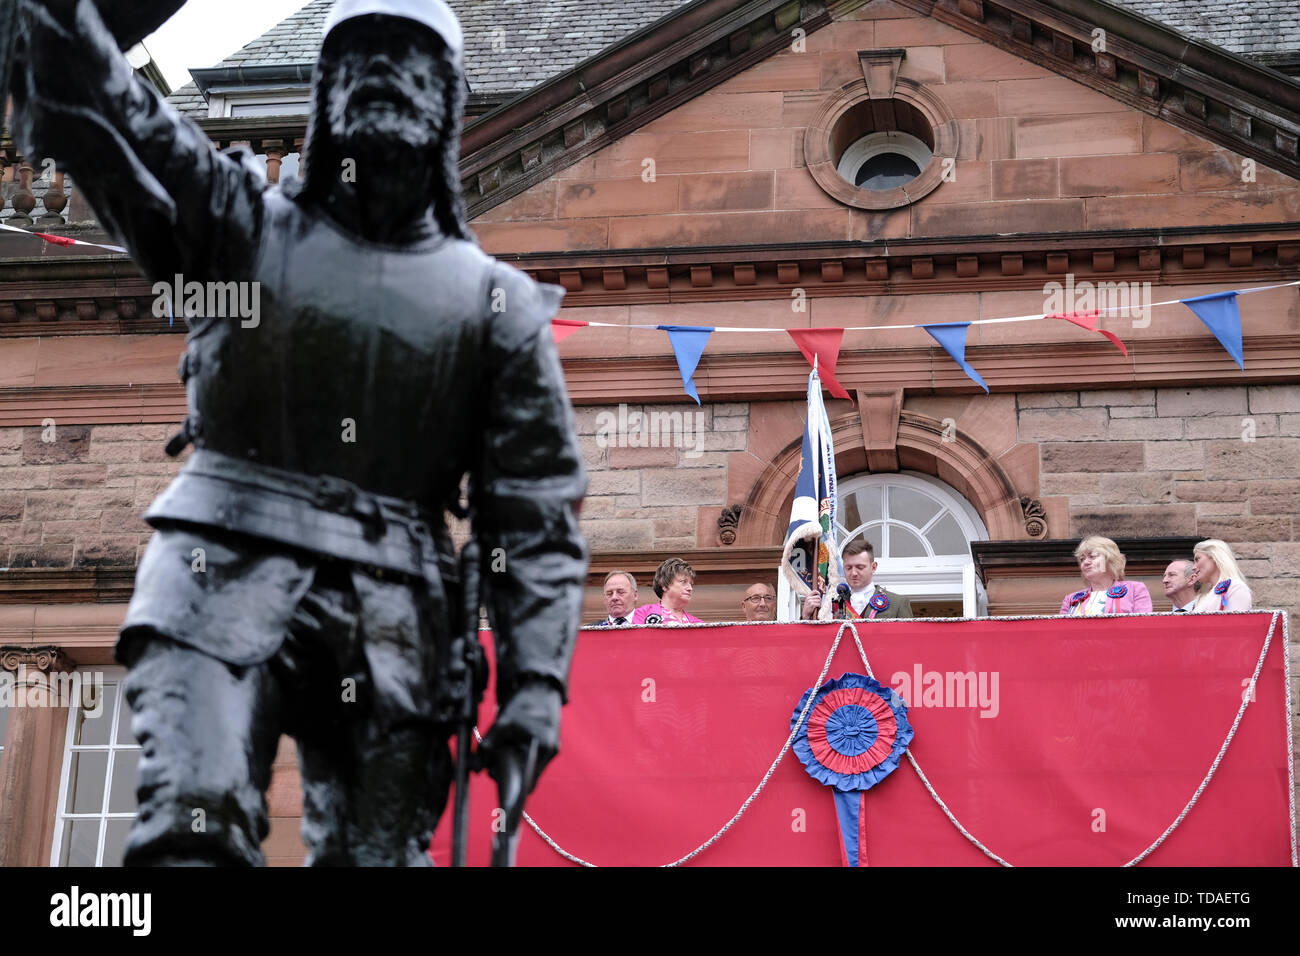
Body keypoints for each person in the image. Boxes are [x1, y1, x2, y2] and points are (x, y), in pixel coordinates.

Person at [12, 0, 589, 865]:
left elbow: (534, 518)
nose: (387, 73)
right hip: (218, 565)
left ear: (450, 104)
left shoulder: (494, 306)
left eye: (413, 60)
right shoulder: (237, 220)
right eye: (361, 56)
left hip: (397, 612)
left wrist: (536, 688)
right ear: (324, 93)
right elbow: (118, 117)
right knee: (192, 827)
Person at [801, 539, 912, 621]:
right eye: (848, 568)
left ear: (873, 567)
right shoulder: (833, 604)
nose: (853, 573)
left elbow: (909, 646)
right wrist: (805, 617)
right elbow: (817, 644)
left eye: (860, 567)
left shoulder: (898, 603)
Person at [1060, 536, 1152, 615]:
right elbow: (1061, 631)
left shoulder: (1135, 589)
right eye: (1082, 559)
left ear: (1110, 559)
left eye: (1092, 556)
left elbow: (1144, 626)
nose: (1085, 562)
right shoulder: (1070, 599)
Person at [632, 558, 704, 625]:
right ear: (665, 586)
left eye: (691, 584)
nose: (690, 588)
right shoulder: (643, 614)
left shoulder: (697, 623)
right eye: (683, 582)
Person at [1190, 539, 1253, 612]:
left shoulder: (1236, 588)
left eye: (1197, 559)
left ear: (1214, 556)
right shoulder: (1204, 594)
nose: (1193, 567)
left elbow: (1237, 622)